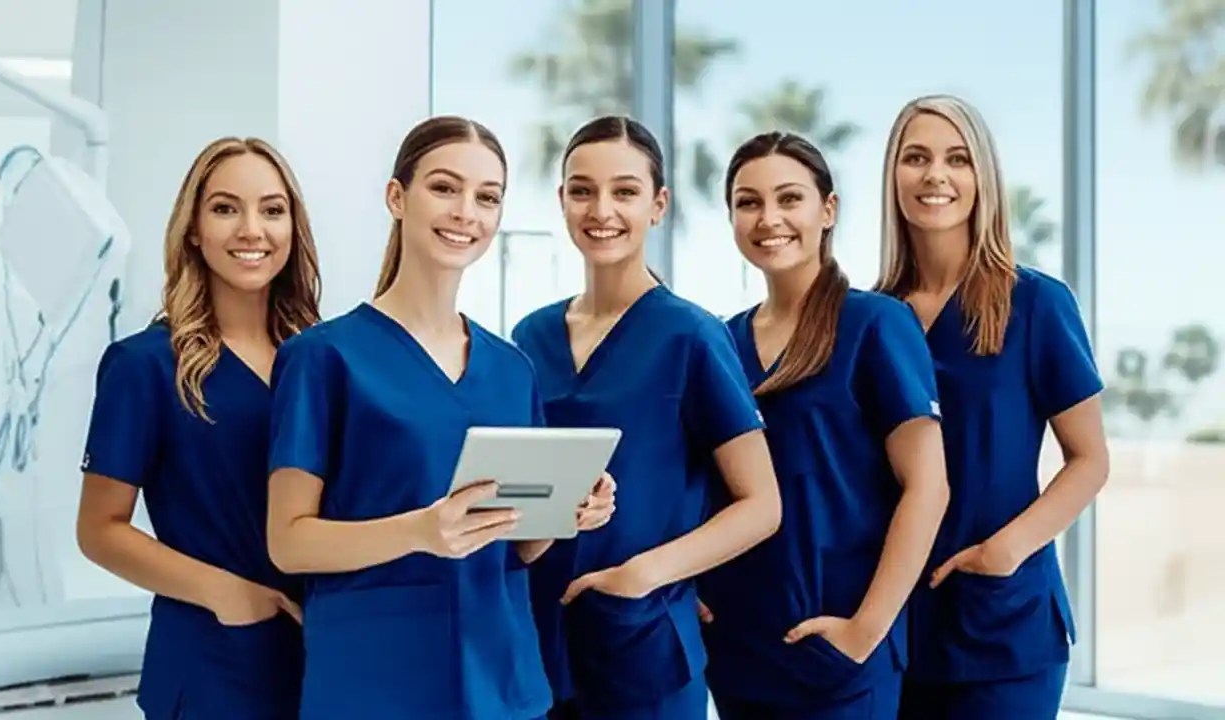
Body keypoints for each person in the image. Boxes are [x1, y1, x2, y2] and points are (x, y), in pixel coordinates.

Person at [264, 115, 616, 720]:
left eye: (487, 198)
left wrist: (570, 511)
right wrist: (421, 532)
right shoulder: (324, 358)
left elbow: (520, 544)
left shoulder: (511, 368)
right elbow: (289, 541)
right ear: (397, 197)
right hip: (376, 682)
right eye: (445, 188)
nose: (465, 213)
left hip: (500, 678)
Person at [511, 115, 783, 720]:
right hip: (536, 645)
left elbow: (761, 504)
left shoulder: (691, 335)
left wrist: (642, 575)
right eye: (582, 190)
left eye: (625, 191)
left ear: (658, 205)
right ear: (562, 201)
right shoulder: (529, 336)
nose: (601, 209)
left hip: (643, 646)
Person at [693, 131, 949, 719]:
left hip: (837, 651)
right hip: (737, 648)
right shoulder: (721, 340)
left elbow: (928, 487)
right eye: (748, 202)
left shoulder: (876, 324)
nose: (769, 218)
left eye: (789, 199)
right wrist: (694, 587)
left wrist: (866, 631)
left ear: (827, 210)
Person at [876, 95, 1110, 720]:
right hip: (889, 624)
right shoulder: (870, 316)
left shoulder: (1035, 303)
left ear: (983, 178)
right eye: (916, 157)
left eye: (958, 159)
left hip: (1004, 628)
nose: (935, 176)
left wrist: (1006, 550)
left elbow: (1089, 459)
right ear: (891, 175)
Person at [76, 136, 321, 719]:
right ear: (193, 229)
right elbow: (100, 529)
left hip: (323, 655)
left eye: (272, 208)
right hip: (214, 656)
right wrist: (227, 594)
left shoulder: (319, 358)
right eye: (225, 208)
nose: (251, 229)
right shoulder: (146, 365)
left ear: (293, 226)